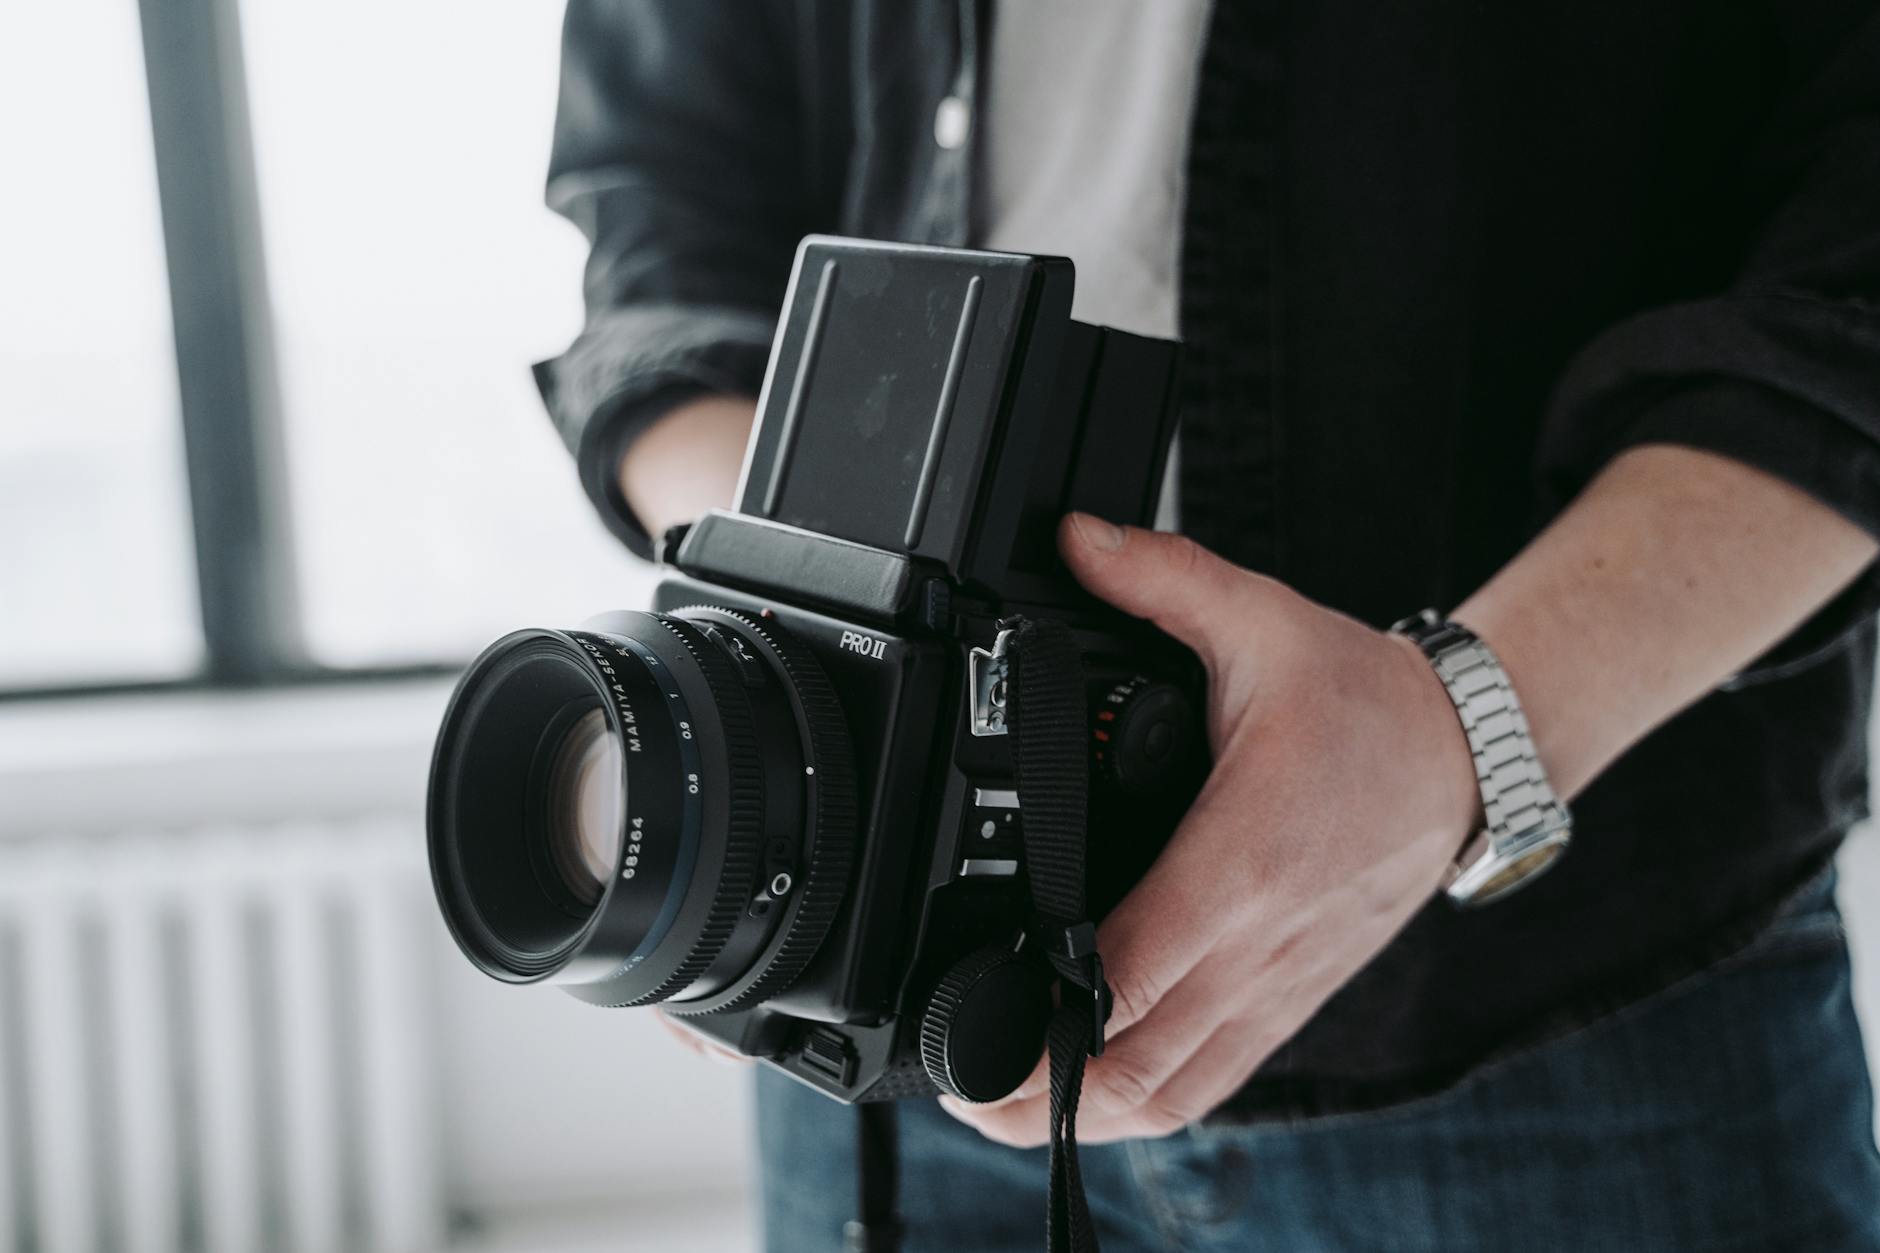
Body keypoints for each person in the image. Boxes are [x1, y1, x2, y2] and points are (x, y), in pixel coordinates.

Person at [532, 3, 1880, 1249]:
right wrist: (777, 674)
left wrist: (1464, 725)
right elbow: (663, 214)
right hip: (885, 1022)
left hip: (1570, 1019)